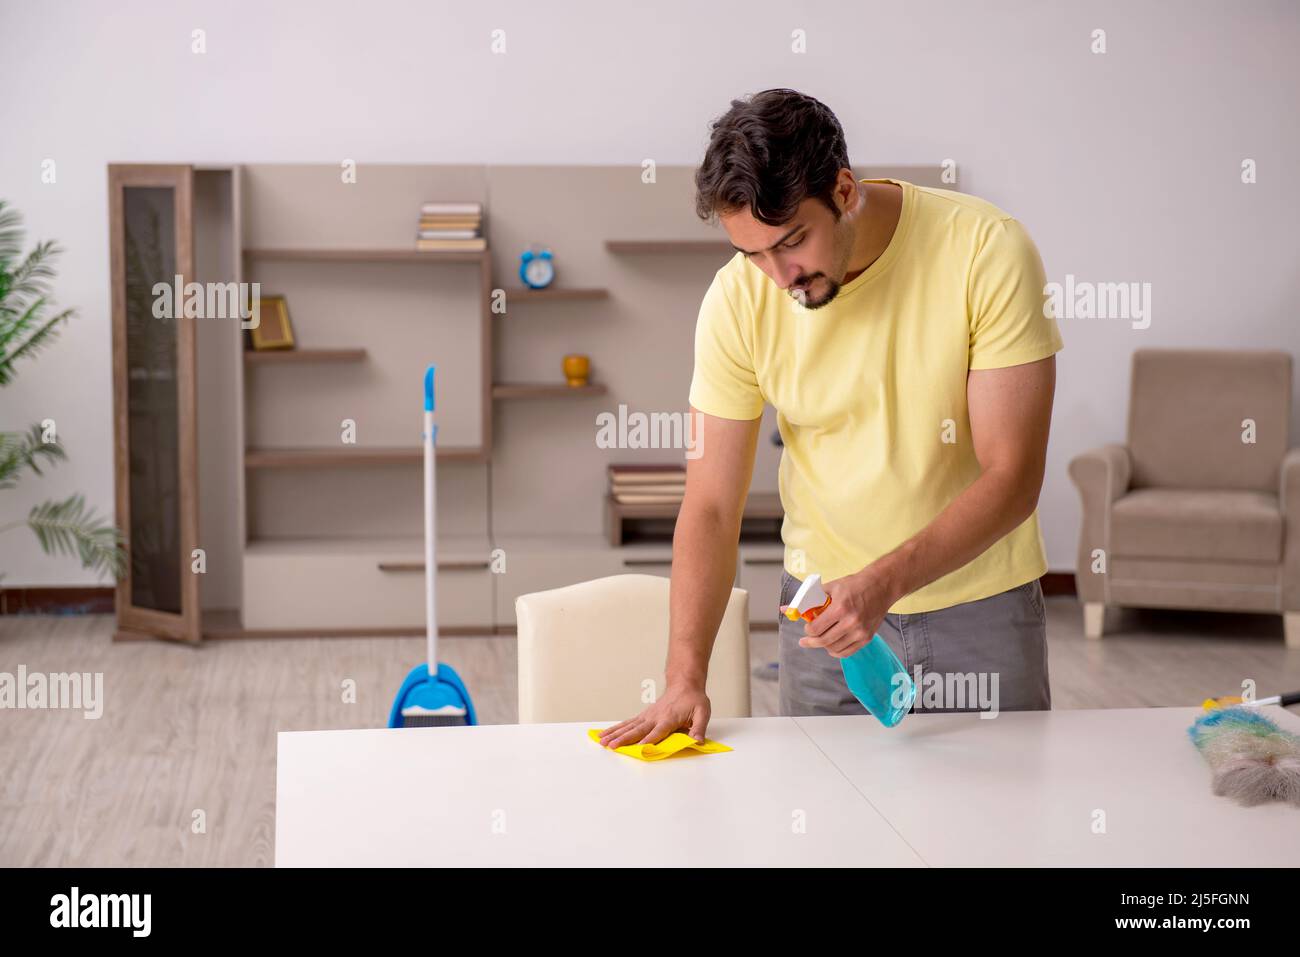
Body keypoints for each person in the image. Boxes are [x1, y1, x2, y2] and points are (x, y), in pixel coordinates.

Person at [598, 88, 1062, 748]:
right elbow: (708, 505)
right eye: (752, 253)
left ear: (844, 190)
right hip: (824, 629)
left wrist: (882, 584)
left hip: (981, 611)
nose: (777, 276)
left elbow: (1013, 475)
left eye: (791, 243)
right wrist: (684, 673)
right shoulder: (737, 300)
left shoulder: (986, 250)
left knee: (999, 827)